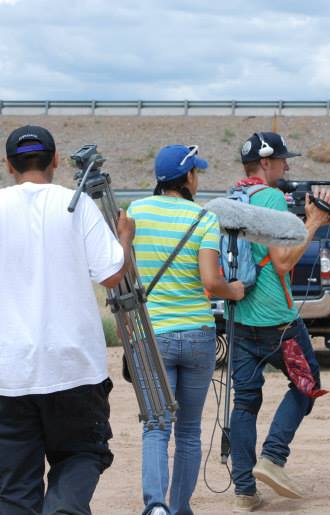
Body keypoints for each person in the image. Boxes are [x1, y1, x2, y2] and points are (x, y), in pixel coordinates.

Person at [0, 125, 134, 515]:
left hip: (11, 374)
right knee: (80, 455)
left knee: (15, 486)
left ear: (8, 164)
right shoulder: (76, 204)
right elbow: (113, 276)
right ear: (57, 160)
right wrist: (124, 239)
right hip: (76, 368)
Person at [128, 144, 245, 515]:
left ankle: (156, 507)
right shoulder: (203, 218)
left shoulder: (136, 212)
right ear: (188, 178)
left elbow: (125, 269)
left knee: (156, 427)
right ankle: (180, 508)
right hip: (197, 334)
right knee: (189, 431)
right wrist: (235, 290)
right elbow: (212, 281)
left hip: (152, 336)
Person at [229, 131, 330, 512]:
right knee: (307, 386)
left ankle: (244, 490)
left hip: (240, 320)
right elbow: (284, 263)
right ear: (264, 163)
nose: (287, 166)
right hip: (279, 321)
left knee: (244, 403)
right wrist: (313, 223)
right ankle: (273, 458)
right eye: (282, 160)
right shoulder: (272, 198)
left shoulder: (233, 199)